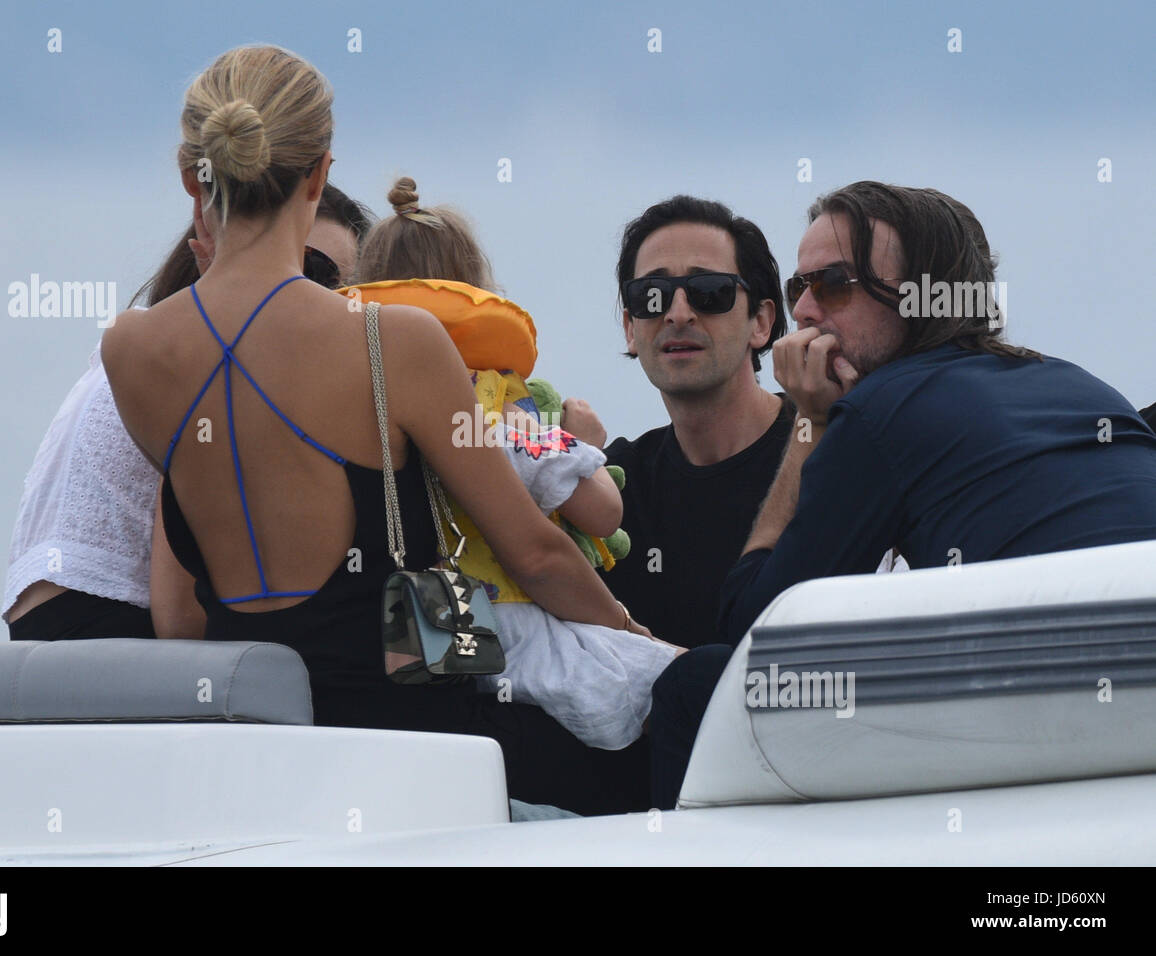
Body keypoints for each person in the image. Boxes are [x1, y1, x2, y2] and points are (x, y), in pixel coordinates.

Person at [102, 45, 653, 814]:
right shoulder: (393, 341)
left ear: (195, 176)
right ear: (320, 174)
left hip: (260, 754)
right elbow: (537, 553)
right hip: (420, 746)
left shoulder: (130, 349)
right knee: (669, 735)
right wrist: (639, 638)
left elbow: (185, 611)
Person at [650, 181, 1156, 808]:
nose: (804, 312)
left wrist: (813, 420)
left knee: (697, 682)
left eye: (832, 285)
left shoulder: (881, 410)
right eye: (796, 289)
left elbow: (757, 629)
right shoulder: (1081, 385)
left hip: (1048, 691)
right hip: (1127, 678)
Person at [344, 176, 679, 750]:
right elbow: (601, 513)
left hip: (402, 640)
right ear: (476, 292)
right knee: (679, 682)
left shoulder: (348, 397)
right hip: (514, 628)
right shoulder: (494, 403)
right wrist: (583, 446)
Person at [2, 182, 370, 641]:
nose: (315, 296)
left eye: (341, 289)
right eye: (310, 269)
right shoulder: (202, 370)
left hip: (52, 625)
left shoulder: (148, 346)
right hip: (112, 619)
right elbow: (179, 619)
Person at [578, 196, 794, 649]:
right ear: (630, 329)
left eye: (710, 291)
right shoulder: (611, 486)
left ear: (761, 321)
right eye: (650, 297)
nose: (678, 313)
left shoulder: (826, 447)